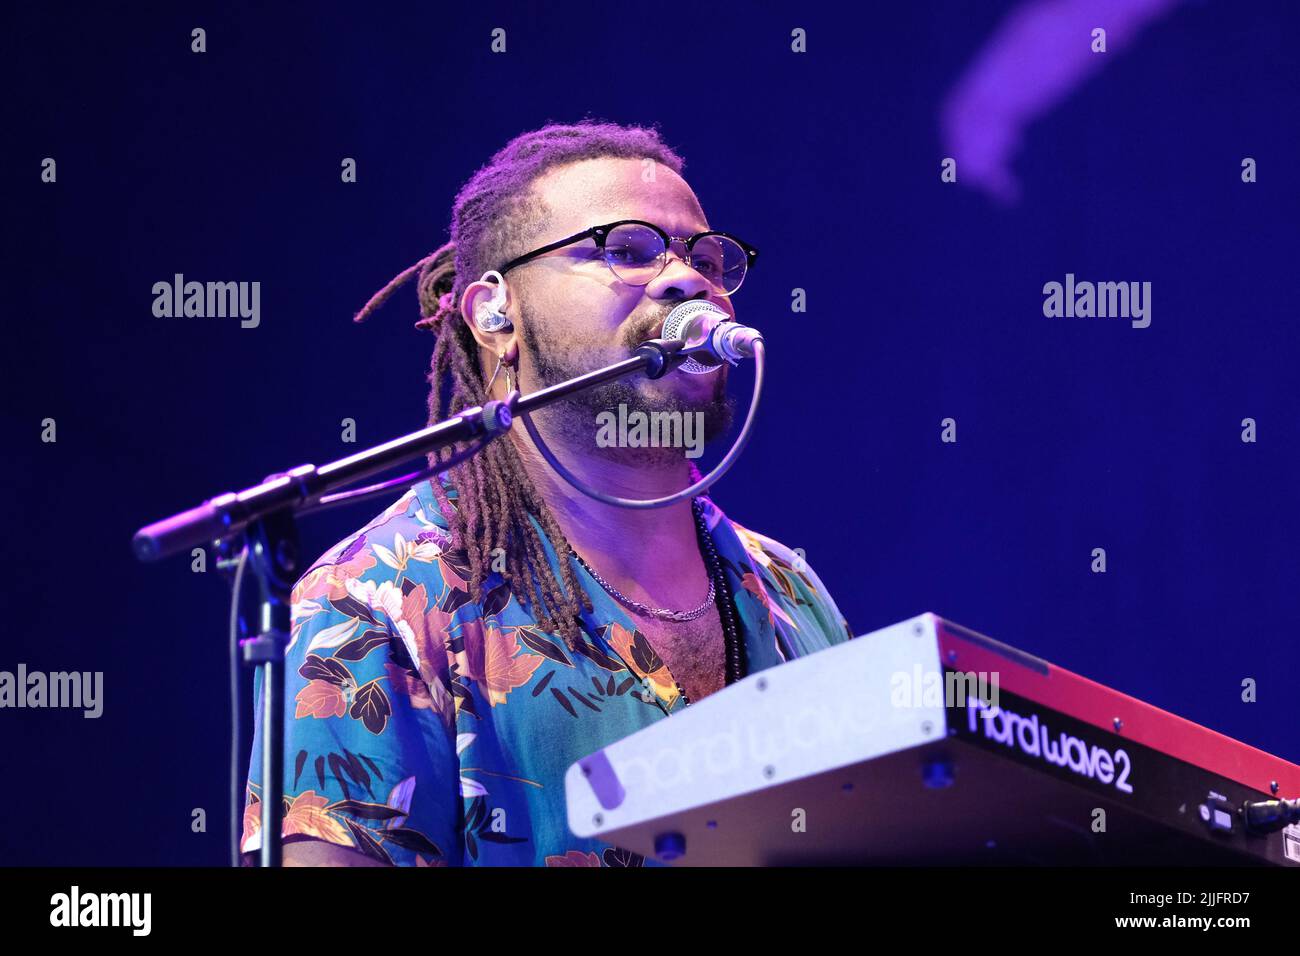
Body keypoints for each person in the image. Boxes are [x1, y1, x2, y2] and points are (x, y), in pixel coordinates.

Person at [241, 120, 853, 866]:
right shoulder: (371, 602)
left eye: (708, 257)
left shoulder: (789, 591)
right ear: (496, 315)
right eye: (627, 250)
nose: (688, 278)